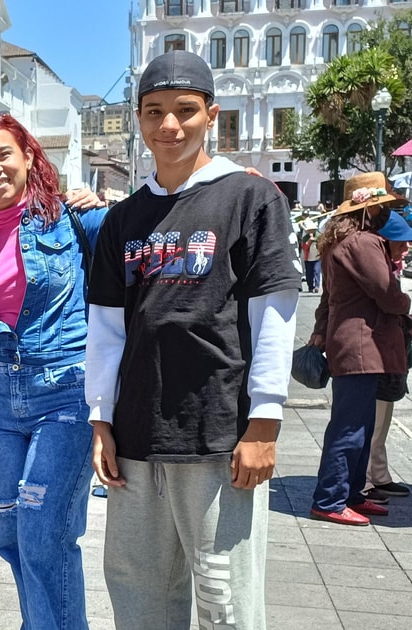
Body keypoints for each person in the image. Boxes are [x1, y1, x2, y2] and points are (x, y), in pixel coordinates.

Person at [85, 50, 301, 629]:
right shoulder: (122, 220)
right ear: (138, 119)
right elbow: (105, 330)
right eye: (153, 111)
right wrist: (101, 421)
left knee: (224, 597)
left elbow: (273, 316)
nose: (169, 126)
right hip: (135, 436)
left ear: (211, 113)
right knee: (137, 590)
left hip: (218, 432)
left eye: (185, 110)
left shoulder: (248, 199)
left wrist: (266, 422)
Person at [0, 114, 108, 629]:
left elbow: (149, 232)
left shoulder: (75, 221)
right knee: (11, 537)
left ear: (30, 157)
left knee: (44, 534)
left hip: (64, 395)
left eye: (3, 155)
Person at [307, 173, 411, 525]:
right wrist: (405, 301)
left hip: (353, 342)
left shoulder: (337, 242)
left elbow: (328, 299)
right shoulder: (363, 243)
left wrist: (320, 332)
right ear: (367, 211)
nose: (384, 214)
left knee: (360, 424)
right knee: (351, 426)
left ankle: (350, 493)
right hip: (362, 344)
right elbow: (385, 291)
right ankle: (331, 498)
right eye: (380, 207)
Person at [364, 213, 412, 505]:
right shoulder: (372, 260)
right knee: (375, 417)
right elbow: (390, 298)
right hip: (374, 349)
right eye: (401, 243)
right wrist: (404, 304)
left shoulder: (386, 262)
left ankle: (378, 474)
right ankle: (369, 479)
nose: (406, 248)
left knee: (383, 417)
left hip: (387, 348)